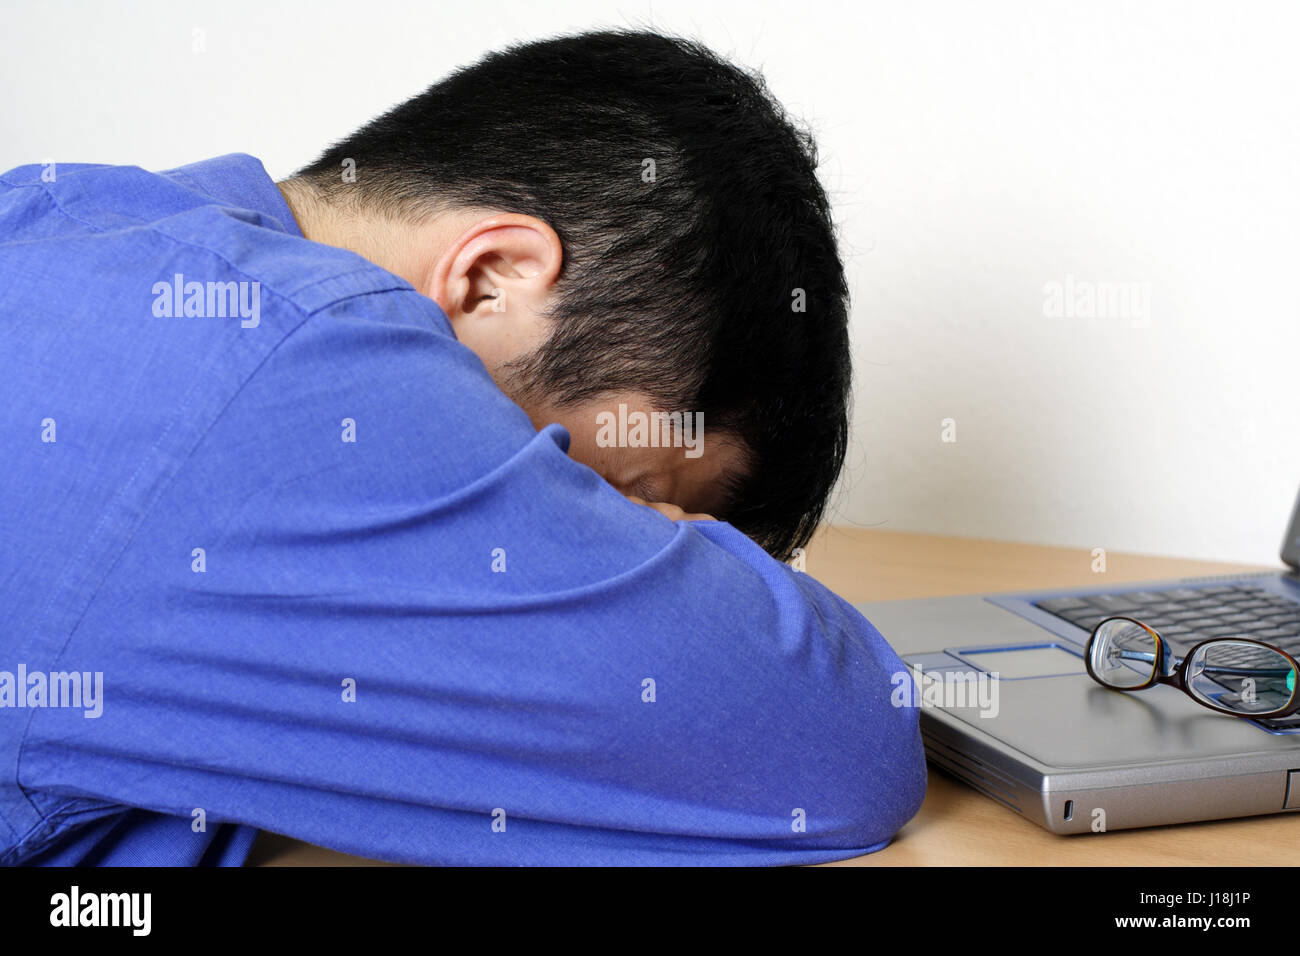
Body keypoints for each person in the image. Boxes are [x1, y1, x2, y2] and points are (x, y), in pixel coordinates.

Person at [0, 29, 925, 866]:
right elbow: (831, 750)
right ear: (492, 279)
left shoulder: (67, 222)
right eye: (605, 491)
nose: (609, 543)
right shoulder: (301, 360)